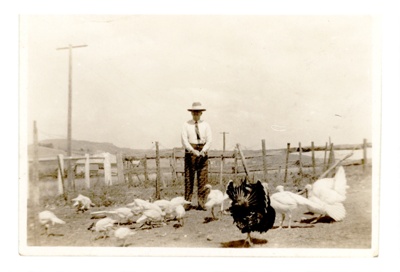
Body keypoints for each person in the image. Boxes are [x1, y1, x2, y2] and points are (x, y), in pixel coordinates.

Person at [181, 102, 212, 211]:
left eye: (198, 112)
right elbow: (184, 140)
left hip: (203, 151)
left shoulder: (206, 125)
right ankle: (187, 203)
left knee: (202, 178)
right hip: (191, 151)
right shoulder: (186, 124)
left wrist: (203, 150)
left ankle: (202, 203)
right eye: (194, 112)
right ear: (191, 113)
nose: (196, 114)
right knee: (189, 178)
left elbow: (209, 139)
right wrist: (192, 150)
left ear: (201, 113)